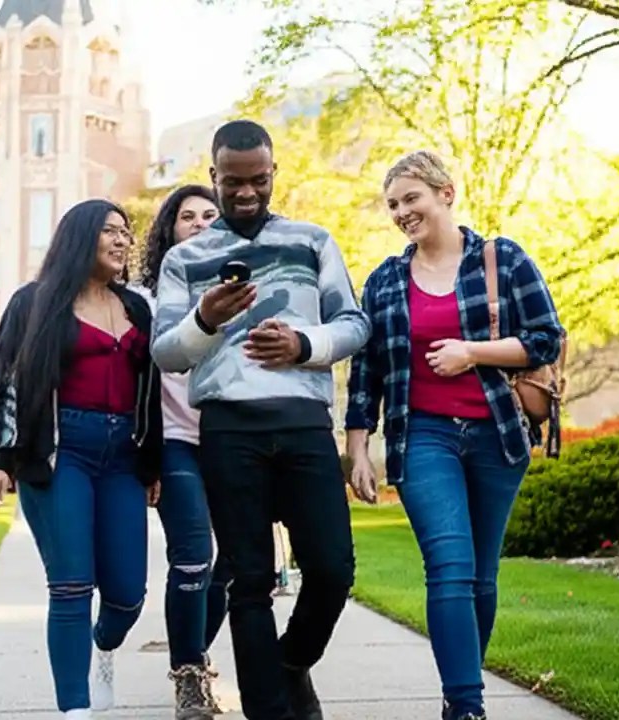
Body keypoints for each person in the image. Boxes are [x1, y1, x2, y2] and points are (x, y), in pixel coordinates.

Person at [151, 119, 370, 720]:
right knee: (248, 583)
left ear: (274, 174)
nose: (246, 193)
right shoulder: (185, 258)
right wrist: (204, 317)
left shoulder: (312, 241)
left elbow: (354, 323)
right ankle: (269, 710)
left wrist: (302, 344)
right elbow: (165, 351)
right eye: (233, 182)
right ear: (214, 174)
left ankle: (290, 664)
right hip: (228, 429)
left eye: (258, 180)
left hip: (302, 423)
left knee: (332, 569)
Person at [343, 150, 564, 720]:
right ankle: (468, 707)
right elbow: (368, 373)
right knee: (449, 568)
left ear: (446, 193)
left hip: (497, 436)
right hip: (424, 438)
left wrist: (473, 353)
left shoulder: (503, 260)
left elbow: (545, 338)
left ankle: (455, 692)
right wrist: (358, 447)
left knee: (482, 579)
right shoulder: (386, 281)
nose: (401, 212)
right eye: (393, 204)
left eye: (411, 198)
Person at [0, 199, 163, 720]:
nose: (123, 240)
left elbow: (152, 397)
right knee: (71, 585)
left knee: (128, 594)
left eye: (126, 232)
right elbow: (2, 384)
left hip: (123, 457)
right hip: (61, 457)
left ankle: (103, 646)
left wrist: (152, 466)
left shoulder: (137, 310)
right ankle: (74, 710)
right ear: (79, 237)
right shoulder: (34, 303)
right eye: (109, 231)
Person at [136, 184, 230, 718]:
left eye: (208, 214)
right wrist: (142, 459)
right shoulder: (148, 302)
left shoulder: (248, 289)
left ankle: (193, 651)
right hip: (174, 442)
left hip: (230, 440)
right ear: (169, 230)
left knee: (234, 563)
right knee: (194, 554)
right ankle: (189, 677)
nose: (198, 222)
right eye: (186, 215)